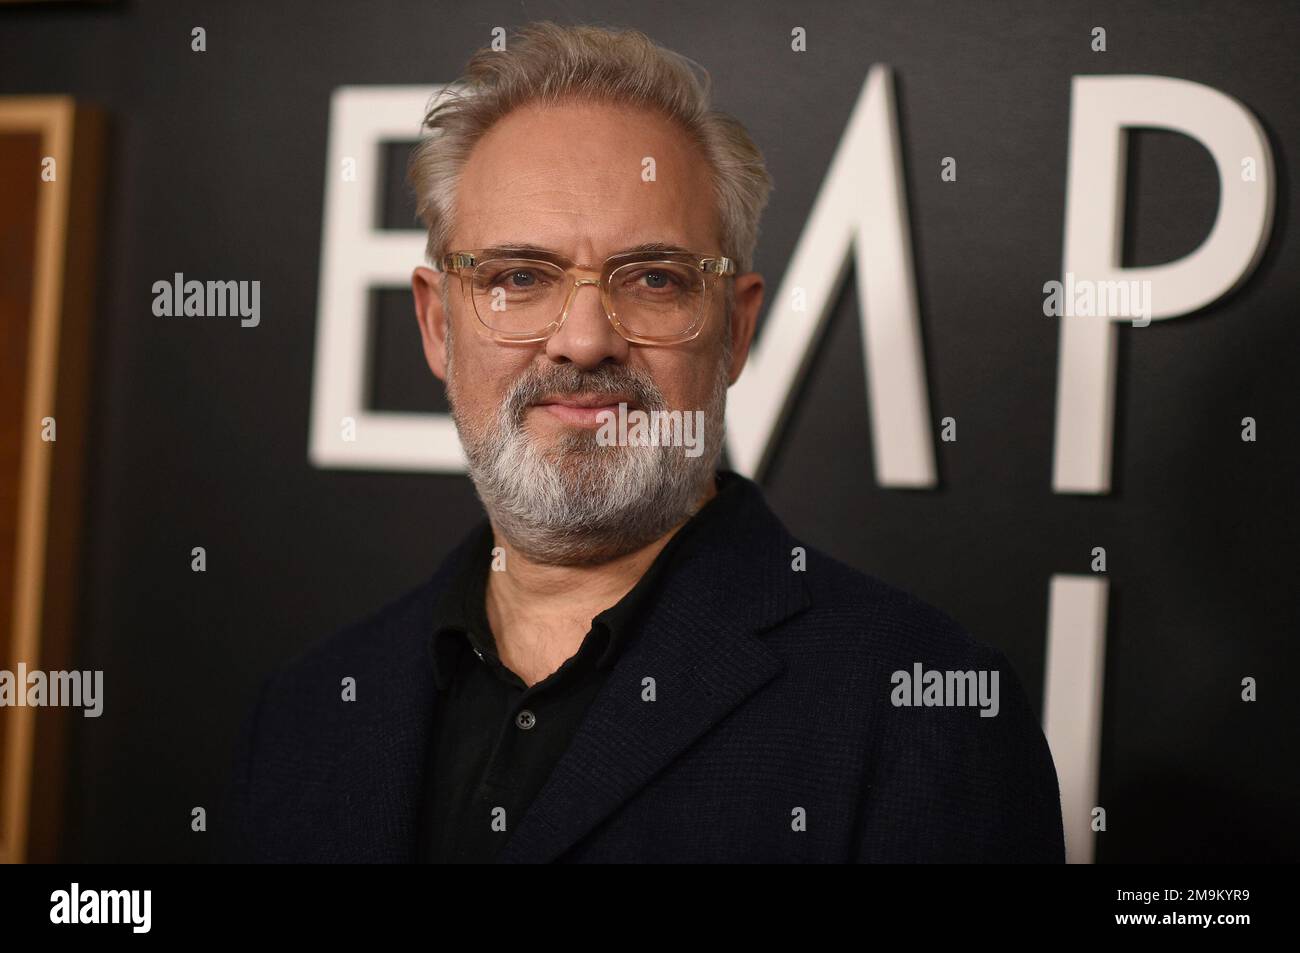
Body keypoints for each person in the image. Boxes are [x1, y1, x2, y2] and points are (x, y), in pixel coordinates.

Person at [221, 20, 1064, 863]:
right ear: (439, 324)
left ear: (735, 330)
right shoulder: (301, 717)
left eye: (655, 279)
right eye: (520, 276)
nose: (585, 341)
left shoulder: (925, 715)